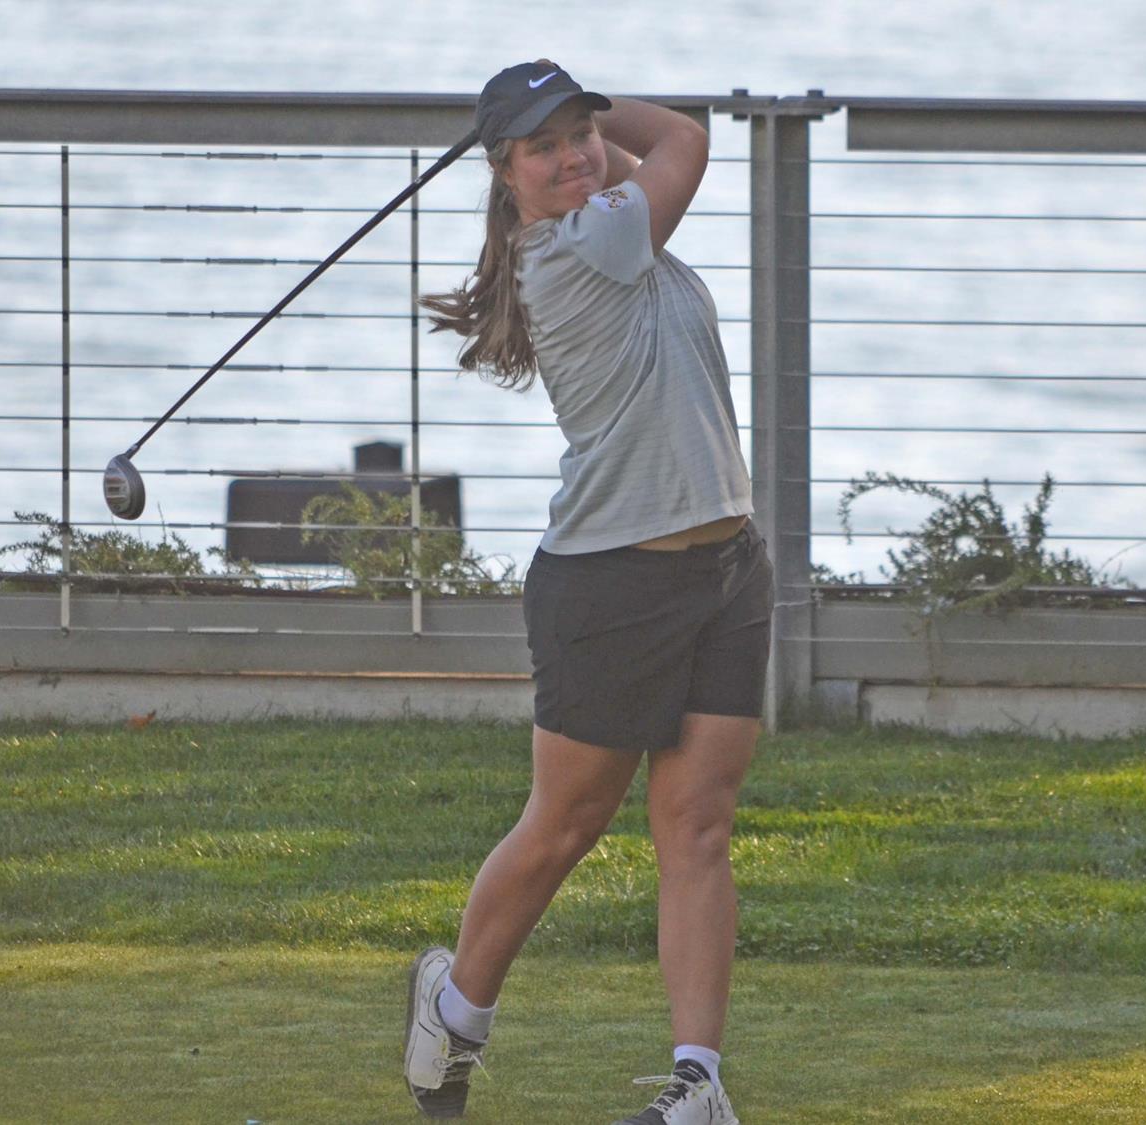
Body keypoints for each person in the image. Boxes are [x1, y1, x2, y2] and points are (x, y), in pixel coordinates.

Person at [401, 61, 770, 1125]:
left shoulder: (615, 234)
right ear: (503, 173)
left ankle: (698, 1085)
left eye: (576, 137)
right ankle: (455, 1007)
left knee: (696, 827)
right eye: (541, 146)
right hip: (612, 580)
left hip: (726, 566)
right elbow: (686, 141)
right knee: (565, 826)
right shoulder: (576, 245)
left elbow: (640, 161)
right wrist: (599, 99)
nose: (570, 156)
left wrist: (571, 115)